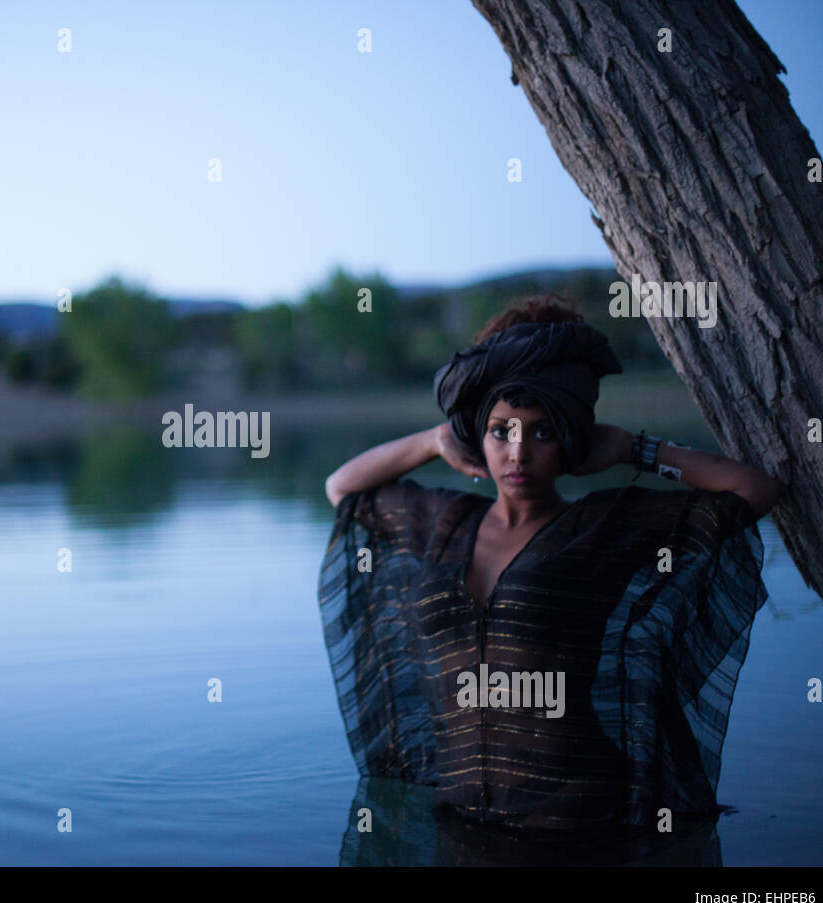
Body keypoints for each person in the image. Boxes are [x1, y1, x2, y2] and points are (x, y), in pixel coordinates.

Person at [317, 295, 784, 834]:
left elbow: (756, 490)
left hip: (579, 826)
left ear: (569, 437)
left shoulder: (604, 529)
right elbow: (342, 487)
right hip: (460, 821)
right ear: (478, 435)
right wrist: (431, 442)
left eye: (541, 431)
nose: (518, 453)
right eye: (501, 431)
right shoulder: (440, 525)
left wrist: (636, 449)